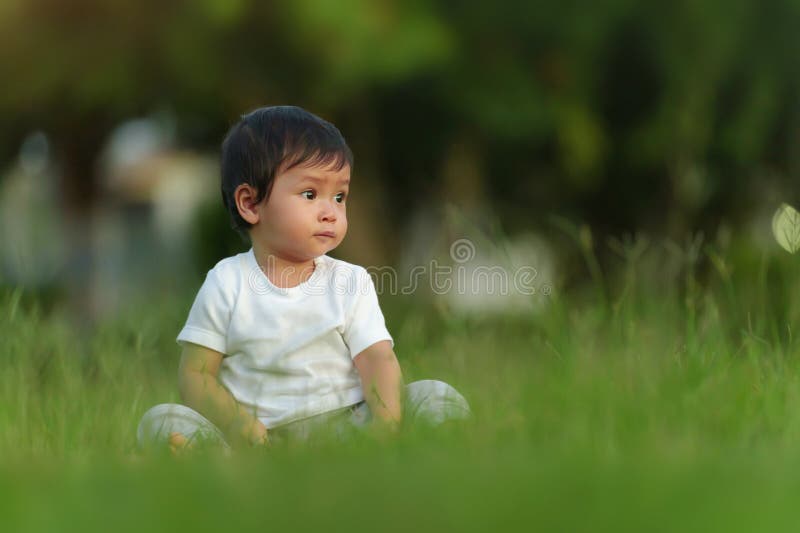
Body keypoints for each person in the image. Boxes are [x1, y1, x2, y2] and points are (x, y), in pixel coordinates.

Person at [137, 105, 471, 453]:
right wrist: (241, 426)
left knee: (434, 394)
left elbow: (378, 360)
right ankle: (219, 459)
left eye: (339, 197)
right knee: (162, 419)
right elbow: (196, 375)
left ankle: (430, 453)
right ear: (250, 203)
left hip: (348, 429)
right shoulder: (226, 282)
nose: (330, 212)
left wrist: (384, 426)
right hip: (257, 439)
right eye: (311, 194)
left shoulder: (349, 281)